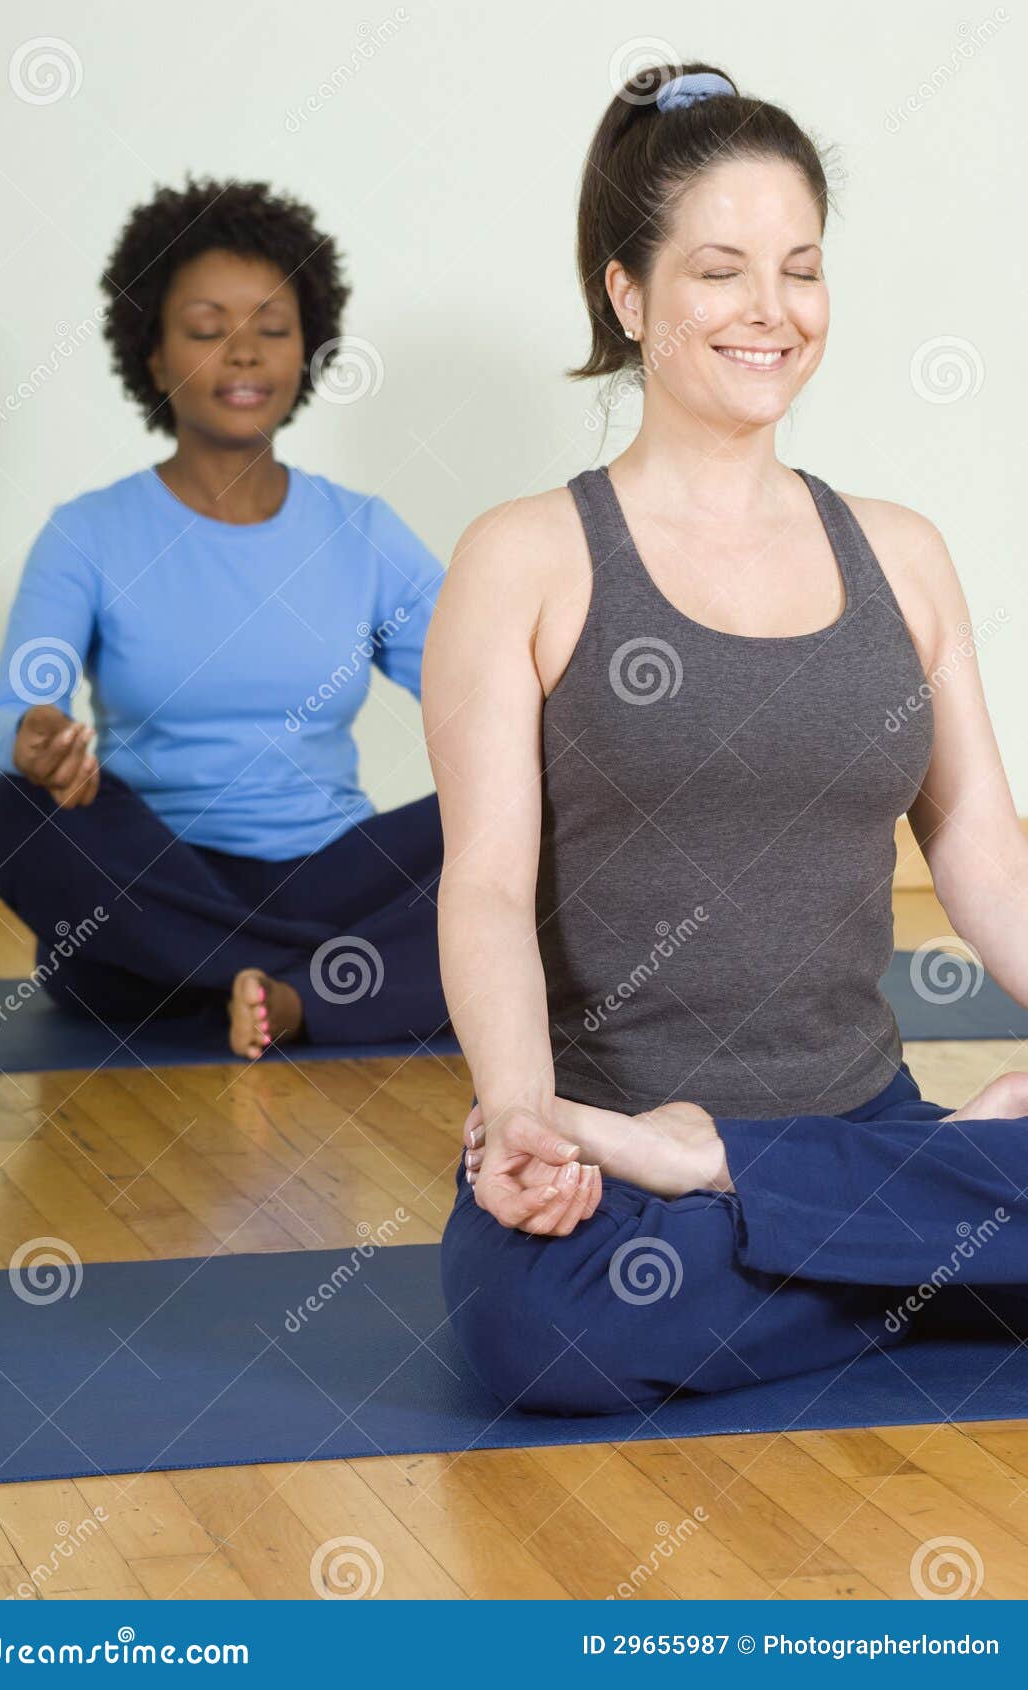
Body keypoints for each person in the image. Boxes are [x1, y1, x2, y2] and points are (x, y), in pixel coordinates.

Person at [429, 65, 1028, 1414]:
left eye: (799, 269)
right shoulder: (523, 558)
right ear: (627, 294)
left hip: (849, 1127)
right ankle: (904, 1238)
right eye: (719, 271)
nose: (770, 311)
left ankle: (741, 1175)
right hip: (610, 1154)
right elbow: (478, 884)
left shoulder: (899, 552)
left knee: (745, 1221)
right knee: (543, 1327)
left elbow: (984, 849)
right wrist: (524, 1115)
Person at [0, 175, 449, 1060]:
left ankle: (256, 986)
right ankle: (328, 984)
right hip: (153, 878)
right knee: (15, 814)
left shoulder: (361, 532)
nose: (243, 354)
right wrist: (30, 739)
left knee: (543, 808)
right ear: (152, 355)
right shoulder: (90, 534)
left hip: (332, 877)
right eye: (206, 330)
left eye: (272, 330)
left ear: (307, 352)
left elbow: (480, 694)